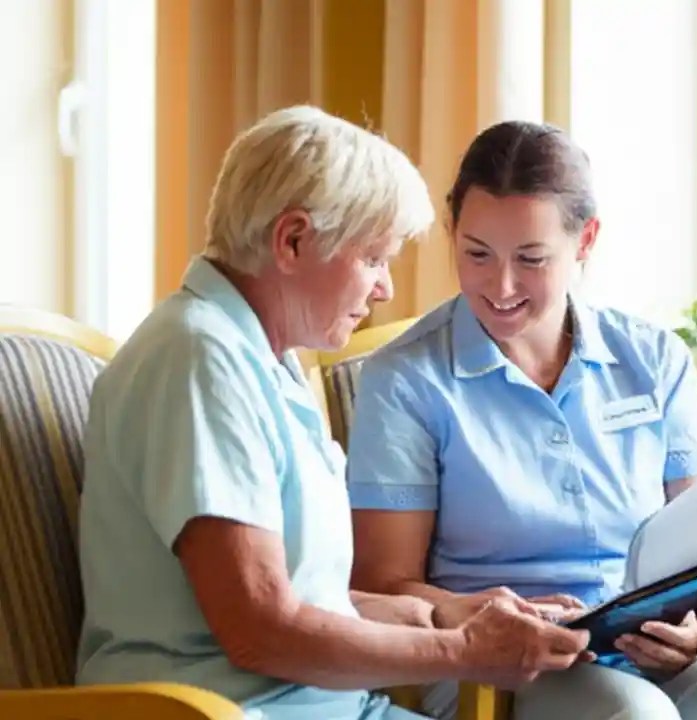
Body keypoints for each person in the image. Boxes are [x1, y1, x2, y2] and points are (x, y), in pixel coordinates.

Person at [75, 106, 589, 720]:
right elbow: (258, 628)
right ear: (292, 241)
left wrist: (445, 611)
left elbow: (294, 598)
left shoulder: (262, 361)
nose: (385, 290)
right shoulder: (196, 359)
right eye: (373, 258)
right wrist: (462, 650)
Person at [345, 120, 697, 720]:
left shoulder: (655, 359)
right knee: (633, 716)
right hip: (497, 662)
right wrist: (491, 617)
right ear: (452, 230)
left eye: (531, 258)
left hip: (657, 649)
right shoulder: (405, 380)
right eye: (476, 253)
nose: (500, 285)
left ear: (585, 241)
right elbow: (383, 587)